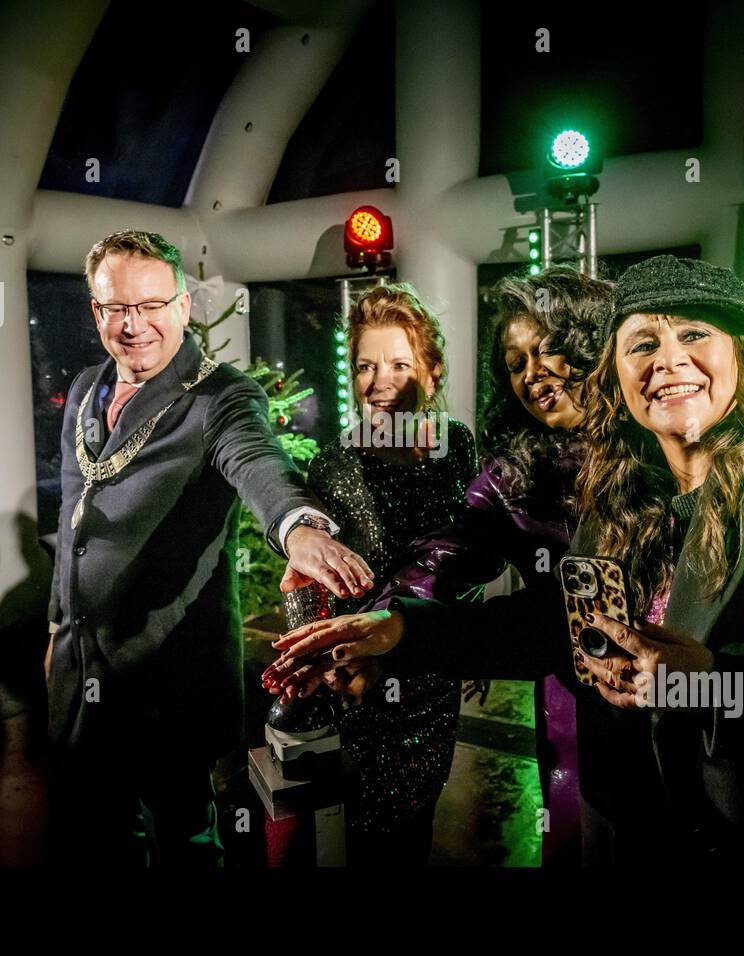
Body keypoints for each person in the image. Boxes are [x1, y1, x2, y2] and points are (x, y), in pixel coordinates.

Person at [269, 255, 744, 866]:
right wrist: (400, 634)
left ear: (742, 361)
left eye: (694, 335)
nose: (669, 361)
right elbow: (555, 631)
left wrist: (715, 686)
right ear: (616, 379)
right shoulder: (618, 506)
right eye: (642, 344)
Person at [46, 230, 373, 866]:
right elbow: (73, 521)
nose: (135, 325)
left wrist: (296, 525)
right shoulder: (85, 389)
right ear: (96, 311)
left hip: (169, 681)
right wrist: (58, 630)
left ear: (182, 306)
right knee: (98, 840)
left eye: (151, 305)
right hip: (78, 673)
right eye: (118, 308)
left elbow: (256, 459)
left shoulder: (219, 395)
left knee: (185, 845)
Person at [306, 265, 612, 866]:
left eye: (549, 350)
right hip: (543, 687)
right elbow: (451, 553)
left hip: (687, 698)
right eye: (516, 362)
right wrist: (385, 630)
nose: (534, 374)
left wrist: (454, 637)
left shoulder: (663, 447)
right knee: (577, 826)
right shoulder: (511, 473)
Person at [273, 283, 477, 866]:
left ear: (431, 373)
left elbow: (469, 551)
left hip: (432, 678)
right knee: (354, 834)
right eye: (365, 365)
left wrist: (465, 644)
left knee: (415, 827)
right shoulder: (335, 463)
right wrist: (313, 664)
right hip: (357, 685)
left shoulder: (455, 446)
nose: (379, 380)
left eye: (399, 363)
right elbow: (305, 582)